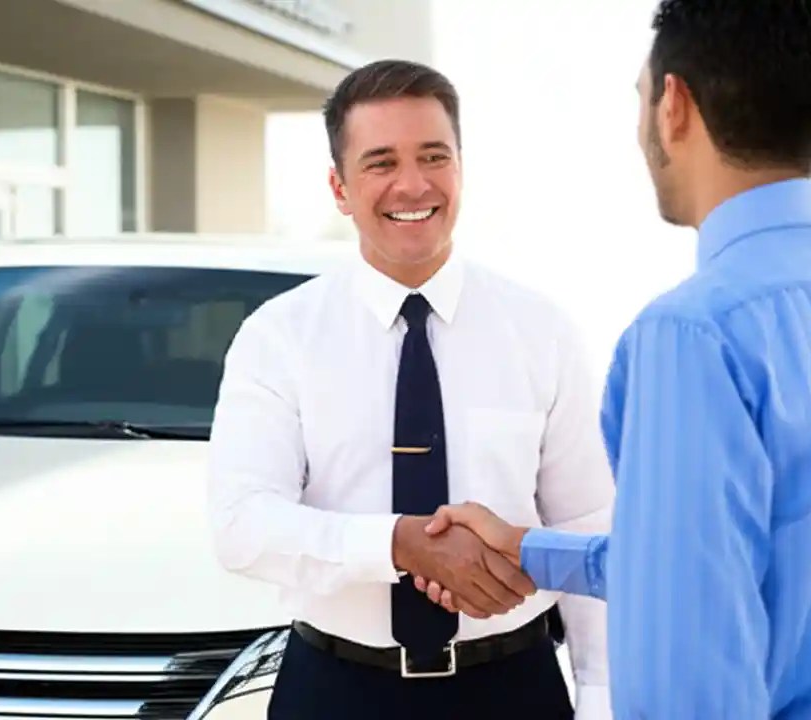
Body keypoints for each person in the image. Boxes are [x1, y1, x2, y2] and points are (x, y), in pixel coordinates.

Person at [415, 1, 811, 718]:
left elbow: (688, 684)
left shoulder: (693, 338)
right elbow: (766, 570)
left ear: (674, 106)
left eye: (640, 97)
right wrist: (529, 550)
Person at [206, 59, 614, 720]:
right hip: (334, 690)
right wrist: (397, 543)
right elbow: (242, 525)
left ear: (460, 169)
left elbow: (588, 528)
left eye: (434, 156)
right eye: (380, 162)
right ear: (339, 187)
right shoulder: (278, 336)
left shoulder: (542, 331)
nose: (413, 184)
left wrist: (600, 701)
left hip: (513, 689)